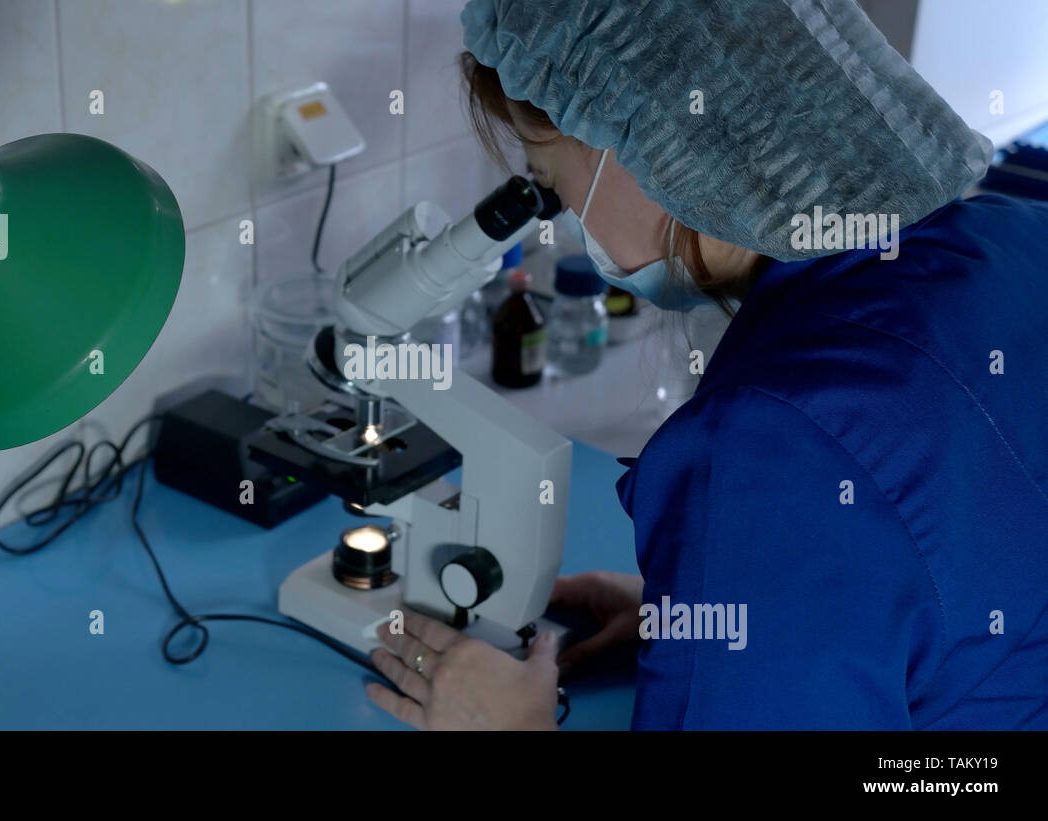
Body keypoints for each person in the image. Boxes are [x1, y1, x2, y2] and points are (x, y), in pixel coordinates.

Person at [365, 0, 1048, 730]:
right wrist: (719, 629)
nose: (568, 220)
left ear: (647, 145)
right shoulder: (1020, 237)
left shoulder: (774, 446)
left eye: (556, 185)